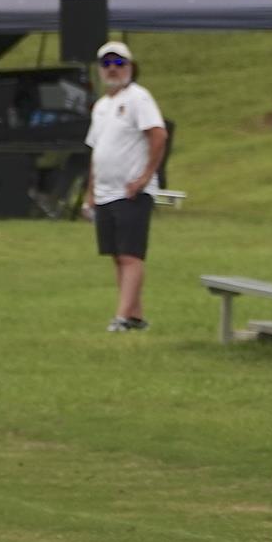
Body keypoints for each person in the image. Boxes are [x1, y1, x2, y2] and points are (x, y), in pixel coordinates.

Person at [84, 40, 168, 333]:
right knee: (117, 255)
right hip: (106, 192)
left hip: (131, 190)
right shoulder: (101, 106)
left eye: (118, 63)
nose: (112, 69)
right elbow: (97, 149)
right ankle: (134, 316)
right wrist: (90, 191)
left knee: (131, 254)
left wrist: (145, 176)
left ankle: (120, 316)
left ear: (130, 67)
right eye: (106, 63)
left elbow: (158, 135)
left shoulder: (138, 98)